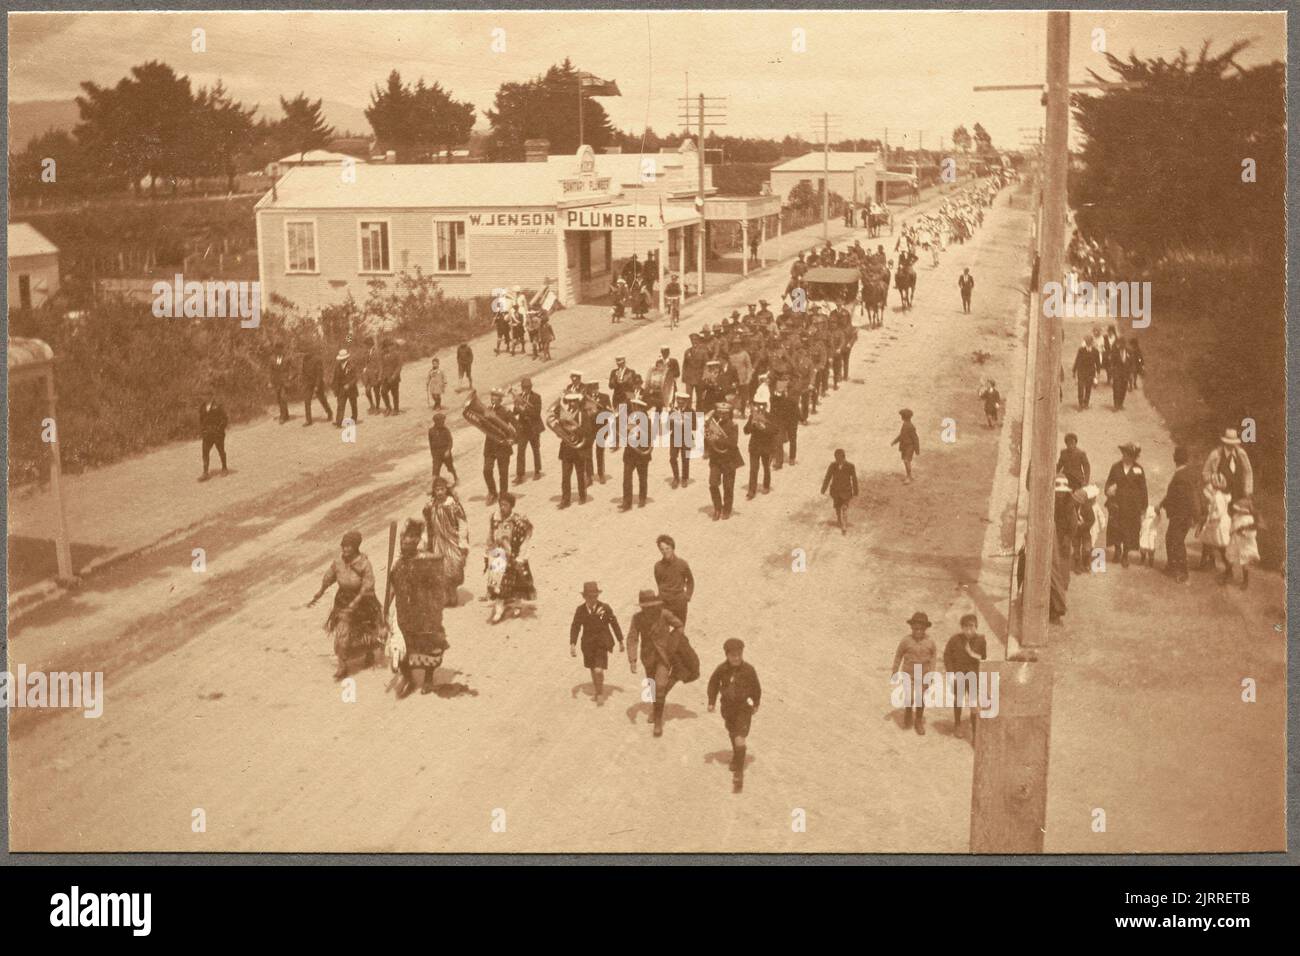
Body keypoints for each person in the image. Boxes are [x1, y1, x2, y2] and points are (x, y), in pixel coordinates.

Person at [308, 529, 382, 680]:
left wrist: (355, 603)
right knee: (342, 632)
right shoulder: (338, 562)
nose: (345, 549)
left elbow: (367, 586)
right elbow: (329, 577)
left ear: (356, 547)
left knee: (366, 633)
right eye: (343, 546)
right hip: (343, 600)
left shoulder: (364, 564)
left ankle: (368, 653)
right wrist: (320, 592)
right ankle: (342, 664)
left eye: (349, 546)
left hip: (364, 602)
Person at [387, 517, 449, 698]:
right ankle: (408, 678)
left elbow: (437, 587)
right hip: (403, 612)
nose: (404, 545)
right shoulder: (397, 564)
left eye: (408, 542)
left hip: (424, 613)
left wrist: (434, 608)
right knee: (403, 646)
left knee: (428, 645)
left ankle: (428, 678)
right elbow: (392, 587)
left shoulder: (425, 561)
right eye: (402, 542)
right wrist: (386, 610)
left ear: (414, 543)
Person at [625, 590, 693, 738]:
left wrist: (673, 641)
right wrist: (633, 659)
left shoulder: (664, 614)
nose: (648, 609)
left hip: (664, 656)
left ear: (656, 605)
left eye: (651, 606)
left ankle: (657, 721)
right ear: (642, 607)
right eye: (645, 607)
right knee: (652, 686)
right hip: (648, 658)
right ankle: (655, 709)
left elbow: (679, 625)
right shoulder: (637, 618)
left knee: (660, 685)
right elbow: (632, 638)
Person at [707, 638, 762, 791]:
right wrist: (711, 701)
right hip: (728, 709)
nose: (736, 658)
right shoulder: (721, 669)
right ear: (727, 655)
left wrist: (756, 702)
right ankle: (737, 758)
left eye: (739, 655)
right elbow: (713, 684)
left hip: (744, 709)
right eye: (733, 655)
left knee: (739, 738)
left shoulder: (749, 670)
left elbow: (756, 687)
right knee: (732, 732)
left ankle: (738, 772)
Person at [569, 581, 625, 704]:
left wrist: (620, 640)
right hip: (588, 645)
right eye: (590, 597)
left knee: (598, 670)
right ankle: (598, 689)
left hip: (602, 643)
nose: (593, 599)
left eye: (595, 596)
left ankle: (599, 693)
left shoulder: (605, 608)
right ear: (584, 597)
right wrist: (573, 644)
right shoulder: (580, 610)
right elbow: (575, 627)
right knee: (592, 669)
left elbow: (614, 623)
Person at [485, 492, 534, 624]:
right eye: (501, 504)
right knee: (498, 583)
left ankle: (517, 605)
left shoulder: (519, 521)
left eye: (505, 505)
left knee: (517, 582)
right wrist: (487, 552)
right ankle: (499, 609)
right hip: (499, 555)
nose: (502, 508)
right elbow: (490, 536)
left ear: (511, 506)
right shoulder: (494, 519)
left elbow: (526, 539)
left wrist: (521, 557)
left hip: (515, 555)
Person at [423, 477, 469, 607]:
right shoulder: (430, 506)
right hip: (438, 541)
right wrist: (426, 540)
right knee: (440, 569)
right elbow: (427, 524)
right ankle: (446, 595)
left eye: (442, 489)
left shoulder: (453, 504)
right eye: (437, 489)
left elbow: (462, 522)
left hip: (452, 540)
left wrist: (462, 540)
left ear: (446, 490)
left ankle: (452, 591)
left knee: (454, 567)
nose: (439, 492)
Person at [1158, 446, 1201, 583]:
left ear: (1175, 458)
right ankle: (1172, 566)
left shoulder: (1181, 476)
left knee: (1176, 541)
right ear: (1186, 459)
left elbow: (1188, 497)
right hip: (1181, 515)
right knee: (1171, 538)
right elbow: (1174, 495)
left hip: (1181, 516)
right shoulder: (1185, 473)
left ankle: (1183, 572)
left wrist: (1195, 517)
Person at [942, 614, 987, 742]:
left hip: (973, 676)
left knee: (974, 703)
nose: (968, 630)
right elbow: (947, 655)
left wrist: (972, 653)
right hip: (959, 675)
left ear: (976, 627)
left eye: (971, 626)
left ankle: (974, 733)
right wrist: (950, 673)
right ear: (961, 627)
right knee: (958, 700)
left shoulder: (981, 640)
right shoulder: (955, 640)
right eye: (965, 626)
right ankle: (957, 725)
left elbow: (984, 658)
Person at [1104, 442, 1148, 568]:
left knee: (1129, 529)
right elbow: (1109, 482)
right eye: (1124, 453)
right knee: (1116, 528)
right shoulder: (1116, 467)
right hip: (1117, 504)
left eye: (1129, 454)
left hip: (1132, 506)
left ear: (1134, 456)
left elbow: (1143, 489)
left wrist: (1143, 507)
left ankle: (1125, 555)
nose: (1125, 456)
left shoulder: (1139, 469)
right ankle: (1117, 551)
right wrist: (1108, 490)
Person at [891, 612, 936, 734]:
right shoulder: (906, 641)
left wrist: (931, 674)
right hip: (908, 674)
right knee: (909, 697)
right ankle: (908, 712)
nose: (918, 631)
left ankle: (918, 721)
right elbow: (898, 656)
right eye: (916, 628)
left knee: (920, 698)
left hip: (923, 674)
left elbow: (933, 658)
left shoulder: (930, 642)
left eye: (921, 629)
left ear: (925, 629)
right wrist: (895, 671)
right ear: (911, 628)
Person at [705, 401, 744, 520]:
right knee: (713, 483)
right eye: (720, 413)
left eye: (725, 413)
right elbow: (707, 438)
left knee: (728, 487)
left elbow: (732, 443)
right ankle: (717, 508)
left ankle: (727, 509)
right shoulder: (713, 424)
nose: (722, 415)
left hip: (729, 460)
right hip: (716, 459)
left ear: (729, 414)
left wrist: (716, 439)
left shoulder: (733, 425)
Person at [1201, 428, 1253, 504]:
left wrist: (1248, 491)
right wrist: (1214, 478)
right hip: (1221, 497)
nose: (1231, 446)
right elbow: (1205, 473)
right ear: (1225, 442)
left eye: (1233, 443)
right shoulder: (1215, 455)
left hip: (1239, 495)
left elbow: (1248, 472)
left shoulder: (1241, 454)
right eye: (1229, 443)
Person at [481, 388, 513, 505]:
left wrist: (512, 440)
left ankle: (503, 495)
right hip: (490, 446)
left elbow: (517, 427)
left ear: (500, 399)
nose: (493, 398)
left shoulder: (506, 411)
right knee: (487, 471)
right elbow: (483, 424)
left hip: (503, 446)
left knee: (503, 473)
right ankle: (492, 492)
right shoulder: (488, 410)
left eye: (496, 396)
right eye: (492, 396)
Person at [653, 534, 694, 625]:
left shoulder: (682, 564)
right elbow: (659, 583)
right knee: (663, 633)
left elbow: (690, 581)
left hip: (679, 604)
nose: (665, 551)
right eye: (662, 549)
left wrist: (687, 596)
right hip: (664, 605)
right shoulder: (657, 566)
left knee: (679, 632)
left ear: (672, 548)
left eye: (667, 548)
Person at [620, 396, 653, 511]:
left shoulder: (647, 421)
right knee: (626, 479)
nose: (633, 408)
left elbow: (648, 438)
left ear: (641, 408)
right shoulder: (629, 419)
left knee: (642, 478)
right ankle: (626, 502)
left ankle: (642, 498)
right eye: (633, 406)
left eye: (636, 407)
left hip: (641, 454)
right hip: (629, 453)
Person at [1198, 474, 1232, 575]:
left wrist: (1210, 516)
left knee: (1221, 547)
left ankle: (1229, 570)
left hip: (1218, 524)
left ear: (1214, 484)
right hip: (1216, 523)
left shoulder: (1218, 497)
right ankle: (1204, 564)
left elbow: (1219, 513)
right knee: (1207, 542)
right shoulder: (1219, 495)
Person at [821, 448, 859, 534]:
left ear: (843, 457)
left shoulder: (850, 466)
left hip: (846, 491)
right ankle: (839, 519)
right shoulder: (832, 466)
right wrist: (823, 489)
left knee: (844, 508)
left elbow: (854, 479)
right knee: (837, 507)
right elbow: (828, 477)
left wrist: (856, 491)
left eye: (839, 458)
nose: (837, 460)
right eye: (836, 458)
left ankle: (844, 525)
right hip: (836, 491)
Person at [513, 377, 544, 483]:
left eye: (527, 387)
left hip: (533, 427)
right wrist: (517, 406)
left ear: (531, 387)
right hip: (523, 428)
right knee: (520, 451)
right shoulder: (519, 397)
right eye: (523, 387)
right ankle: (520, 475)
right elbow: (515, 412)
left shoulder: (536, 397)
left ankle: (537, 471)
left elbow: (536, 413)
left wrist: (525, 409)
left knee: (535, 450)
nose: (525, 389)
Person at [743, 401, 774, 501]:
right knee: (753, 469)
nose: (760, 408)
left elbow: (775, 430)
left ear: (765, 407)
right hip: (755, 447)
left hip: (766, 447)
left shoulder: (770, 416)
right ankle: (751, 491)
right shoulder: (752, 416)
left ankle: (766, 485)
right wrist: (751, 425)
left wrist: (764, 427)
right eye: (758, 406)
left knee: (766, 467)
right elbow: (746, 431)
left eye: (762, 406)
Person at [1225, 498, 1259, 589]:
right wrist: (1231, 532)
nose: (1238, 511)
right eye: (1237, 510)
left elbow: (1252, 532)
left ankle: (1245, 580)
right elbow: (1232, 527)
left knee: (1244, 561)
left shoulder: (1249, 519)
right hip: (1235, 541)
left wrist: (1243, 532)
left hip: (1245, 542)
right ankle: (1228, 574)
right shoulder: (1236, 517)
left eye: (1240, 510)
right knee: (1231, 556)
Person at [198, 390, 229, 481]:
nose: (205, 397)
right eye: (203, 395)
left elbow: (225, 419)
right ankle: (205, 472)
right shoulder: (202, 407)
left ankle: (224, 468)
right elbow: (201, 420)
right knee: (205, 452)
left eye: (207, 395)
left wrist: (220, 429)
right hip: (207, 434)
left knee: (221, 450)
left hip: (217, 433)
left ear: (211, 396)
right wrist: (203, 430)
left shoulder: (218, 406)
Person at [300, 344, 333, 426]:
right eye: (304, 352)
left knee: (322, 399)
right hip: (308, 384)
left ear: (310, 351)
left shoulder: (317, 359)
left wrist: (317, 386)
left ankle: (329, 412)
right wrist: (303, 382)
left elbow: (319, 374)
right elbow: (303, 372)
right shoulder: (305, 359)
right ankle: (308, 420)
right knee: (307, 401)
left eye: (306, 351)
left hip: (317, 383)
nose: (305, 353)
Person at [890, 407, 920, 483]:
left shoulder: (910, 426)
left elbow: (915, 438)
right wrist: (894, 441)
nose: (901, 417)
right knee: (906, 461)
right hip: (905, 446)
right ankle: (909, 475)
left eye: (902, 416)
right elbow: (901, 435)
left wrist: (917, 449)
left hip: (909, 446)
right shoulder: (905, 425)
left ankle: (909, 477)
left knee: (907, 461)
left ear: (904, 417)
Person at [332, 348, 360, 427]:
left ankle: (354, 418)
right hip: (341, 389)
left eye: (343, 359)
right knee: (340, 405)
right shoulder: (337, 366)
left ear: (346, 358)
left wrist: (349, 384)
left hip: (351, 389)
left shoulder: (352, 365)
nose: (342, 360)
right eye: (341, 359)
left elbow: (355, 378)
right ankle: (339, 422)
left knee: (353, 404)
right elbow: (335, 378)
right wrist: (335, 388)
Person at [1072, 337, 1100, 409]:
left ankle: (1086, 403)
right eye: (1087, 342)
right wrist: (1074, 371)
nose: (1088, 343)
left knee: (1088, 389)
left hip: (1090, 373)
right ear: (1085, 342)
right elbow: (1077, 360)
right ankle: (1081, 404)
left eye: (1090, 342)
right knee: (1080, 388)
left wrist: (1098, 373)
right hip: (1081, 372)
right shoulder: (1081, 350)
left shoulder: (1095, 351)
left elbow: (1098, 363)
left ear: (1092, 343)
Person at [270, 340, 292, 423]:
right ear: (275, 349)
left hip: (285, 381)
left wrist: (290, 376)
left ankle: (282, 417)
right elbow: (271, 371)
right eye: (277, 348)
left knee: (283, 397)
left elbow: (294, 368)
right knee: (279, 399)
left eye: (280, 348)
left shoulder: (287, 358)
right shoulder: (272, 359)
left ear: (282, 349)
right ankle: (286, 414)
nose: (278, 350)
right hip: (276, 382)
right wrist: (270, 381)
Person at [1109, 338, 1134, 409]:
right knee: (1116, 388)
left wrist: (1131, 373)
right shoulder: (1115, 352)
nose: (1121, 346)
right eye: (1120, 344)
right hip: (1117, 373)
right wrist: (1112, 373)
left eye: (1123, 344)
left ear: (1125, 344)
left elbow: (1132, 363)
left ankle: (1120, 404)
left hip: (1126, 374)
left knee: (1123, 389)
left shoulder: (1129, 351)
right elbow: (1111, 363)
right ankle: (1116, 405)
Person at [380, 339, 402, 414]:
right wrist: (380, 376)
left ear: (392, 346)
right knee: (383, 392)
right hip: (385, 378)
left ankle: (396, 409)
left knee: (394, 394)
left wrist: (394, 376)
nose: (387, 348)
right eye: (385, 347)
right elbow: (382, 367)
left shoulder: (397, 354)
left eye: (389, 346)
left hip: (394, 378)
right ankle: (388, 407)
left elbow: (399, 366)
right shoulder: (383, 355)